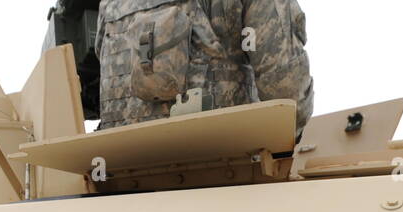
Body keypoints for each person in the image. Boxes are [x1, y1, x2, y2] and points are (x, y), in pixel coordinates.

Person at [96, 0, 315, 137]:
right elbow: (286, 91)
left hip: (123, 181)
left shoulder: (110, 4)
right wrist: (289, 138)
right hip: (225, 174)